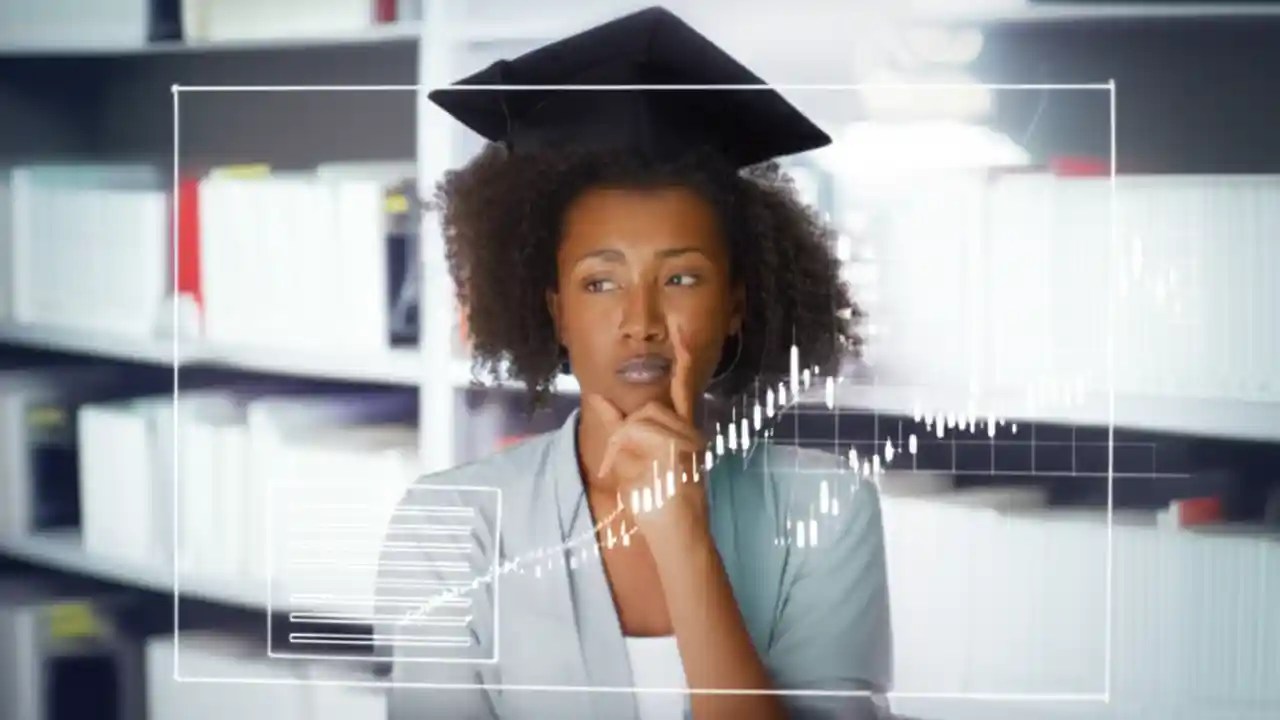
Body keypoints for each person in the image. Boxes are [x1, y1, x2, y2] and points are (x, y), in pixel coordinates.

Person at [377, 6, 892, 719]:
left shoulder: (826, 512)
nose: (641, 323)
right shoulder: (455, 522)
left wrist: (684, 539)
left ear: (737, 304)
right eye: (600, 282)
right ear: (554, 308)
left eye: (681, 278)